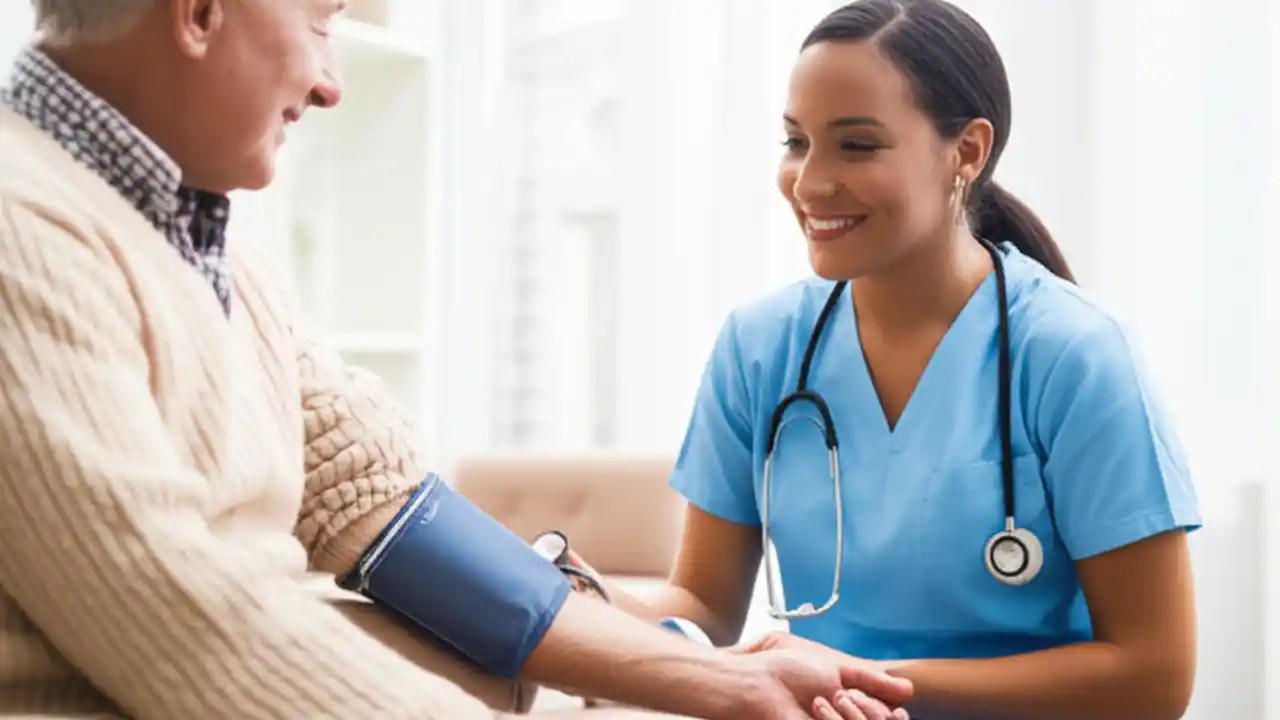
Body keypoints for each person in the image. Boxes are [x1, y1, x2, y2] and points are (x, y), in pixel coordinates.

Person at [0, 1, 914, 718]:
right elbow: (184, 627)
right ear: (200, 12)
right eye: (322, 23)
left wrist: (711, 675)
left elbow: (386, 506)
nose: (330, 84)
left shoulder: (216, 254)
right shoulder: (21, 237)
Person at [580, 1, 1202, 718]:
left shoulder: (1076, 355)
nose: (810, 182)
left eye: (857, 146)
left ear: (967, 151)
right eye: (795, 142)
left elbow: (1154, 676)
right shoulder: (758, 348)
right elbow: (702, 606)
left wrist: (866, 678)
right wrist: (571, 595)